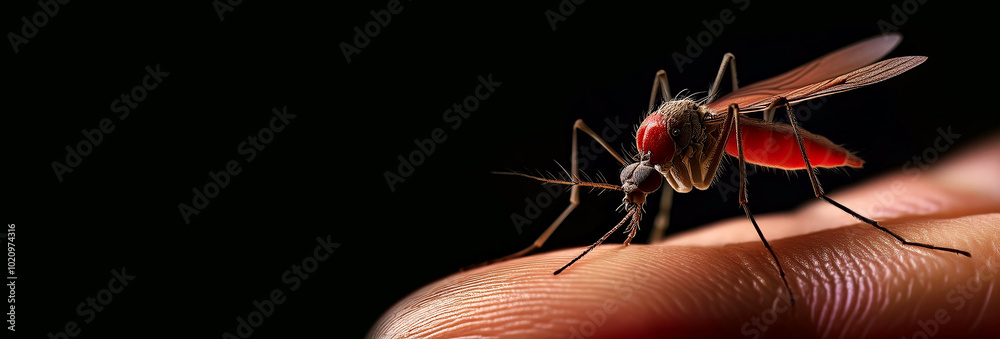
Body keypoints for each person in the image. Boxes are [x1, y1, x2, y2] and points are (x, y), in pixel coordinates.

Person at [370, 132, 1000, 338]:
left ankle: (898, 239)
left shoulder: (676, 150)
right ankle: (543, 249)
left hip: (752, 131)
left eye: (639, 188)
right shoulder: (650, 156)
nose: (634, 191)